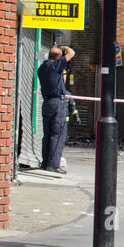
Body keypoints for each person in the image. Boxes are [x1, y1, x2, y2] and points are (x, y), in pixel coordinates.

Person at [38, 42, 75, 173]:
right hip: (57, 103)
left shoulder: (42, 68)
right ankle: (53, 165)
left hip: (46, 103)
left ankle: (45, 162)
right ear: (58, 58)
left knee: (47, 134)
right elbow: (72, 53)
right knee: (58, 134)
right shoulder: (55, 65)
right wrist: (64, 48)